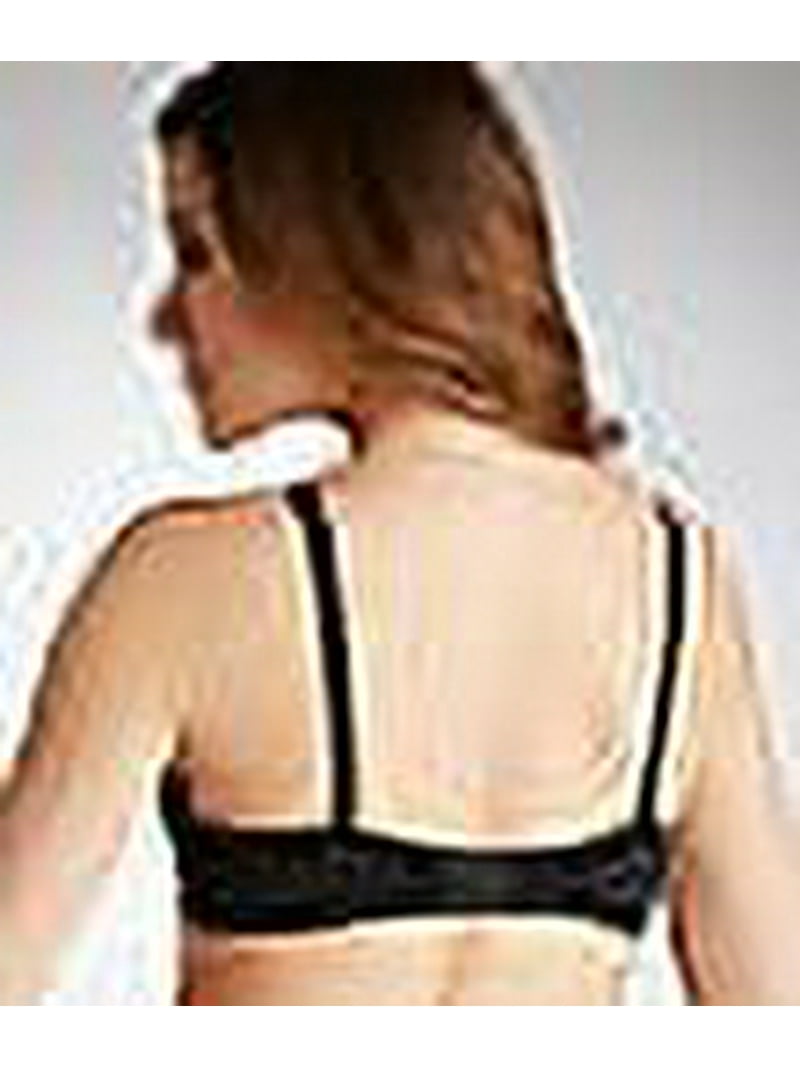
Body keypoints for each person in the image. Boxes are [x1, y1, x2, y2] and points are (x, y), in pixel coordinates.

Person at [1, 62, 798, 1006]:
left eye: (196, 251)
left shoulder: (184, 579)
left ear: (327, 246)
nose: (164, 316)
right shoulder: (682, 583)